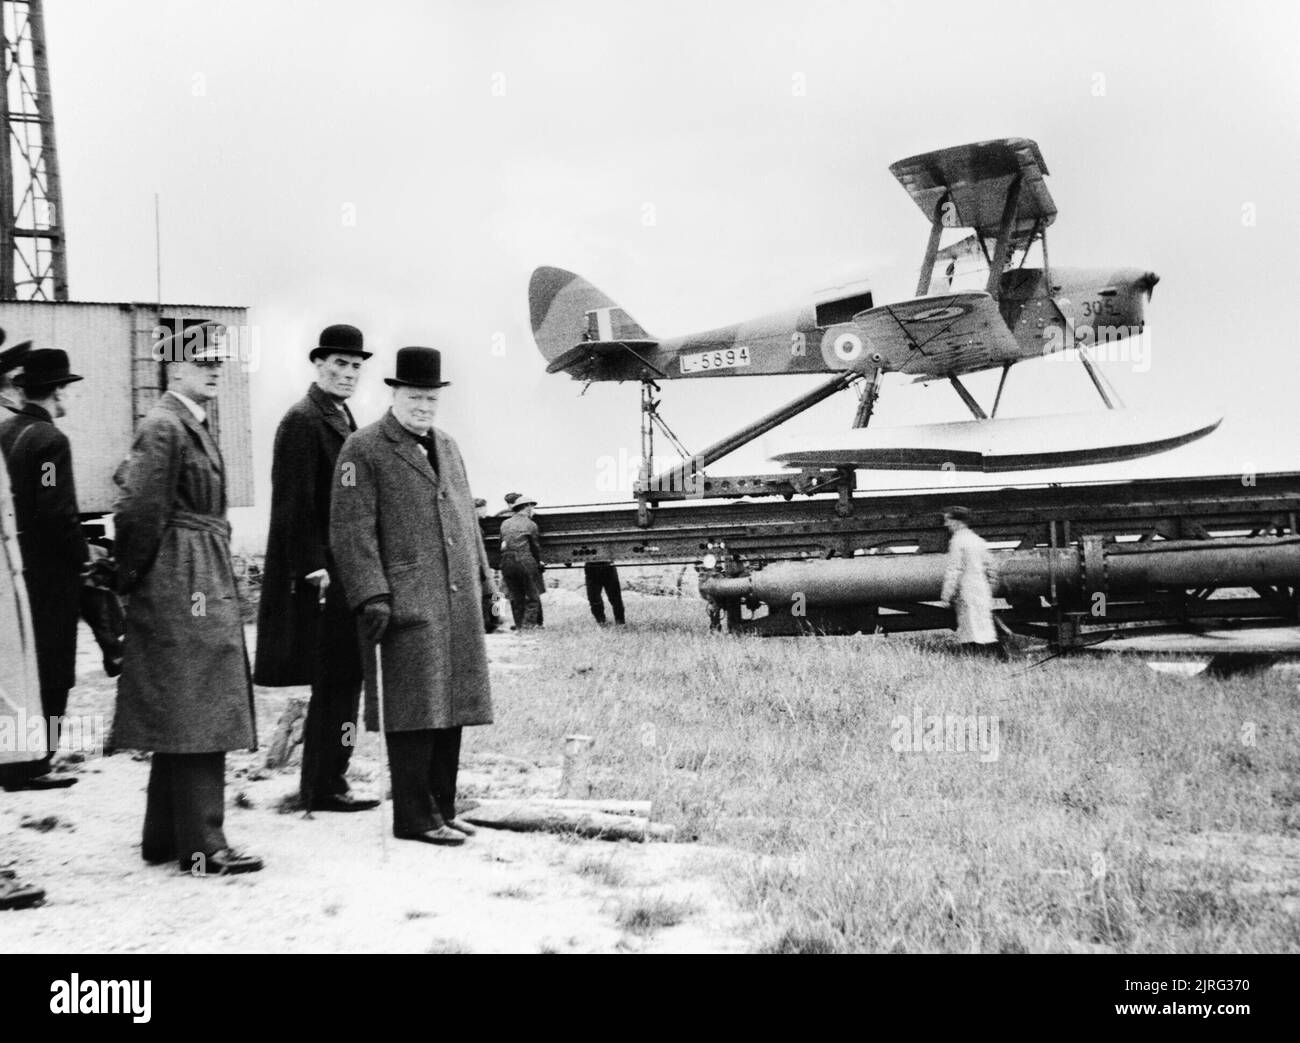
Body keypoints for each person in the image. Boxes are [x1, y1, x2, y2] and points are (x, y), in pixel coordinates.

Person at [112, 319, 263, 875]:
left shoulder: (187, 422)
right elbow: (137, 511)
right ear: (173, 368)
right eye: (202, 362)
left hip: (194, 568)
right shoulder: (164, 425)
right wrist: (132, 577)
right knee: (199, 703)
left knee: (186, 703)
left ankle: (165, 838)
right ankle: (203, 846)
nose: (214, 368)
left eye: (217, 361)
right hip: (183, 575)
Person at [330, 346, 494, 847]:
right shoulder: (363, 448)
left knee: (453, 706)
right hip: (407, 602)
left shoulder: (447, 445)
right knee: (414, 709)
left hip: (457, 598)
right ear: (395, 395)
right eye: (414, 396)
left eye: (431, 397)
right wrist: (372, 594)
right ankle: (413, 817)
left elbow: (468, 522)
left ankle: (442, 808)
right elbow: (349, 530)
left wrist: (487, 584)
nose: (424, 406)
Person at [253, 324, 378, 814]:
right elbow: (292, 505)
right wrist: (313, 568)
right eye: (339, 364)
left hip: (345, 570)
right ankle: (322, 786)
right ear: (318, 364)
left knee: (347, 678)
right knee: (333, 679)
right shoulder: (303, 420)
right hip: (323, 577)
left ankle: (333, 779)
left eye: (355, 366)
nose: (348, 373)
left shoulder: (341, 415)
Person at [0, 348, 88, 792]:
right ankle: (36, 762)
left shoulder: (8, 431)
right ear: (56, 391)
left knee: (20, 668)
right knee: (55, 668)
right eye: (67, 388)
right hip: (49, 575)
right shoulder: (50, 441)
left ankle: (13, 756)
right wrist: (83, 557)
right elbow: (53, 507)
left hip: (15, 570)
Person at [938, 506, 1003, 658]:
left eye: (948, 520)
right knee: (984, 628)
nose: (946, 524)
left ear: (958, 522)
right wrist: (990, 588)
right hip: (981, 589)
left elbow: (954, 570)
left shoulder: (957, 541)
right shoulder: (977, 540)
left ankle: (975, 661)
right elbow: (992, 568)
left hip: (966, 591)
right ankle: (999, 658)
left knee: (969, 629)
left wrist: (946, 596)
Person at [498, 495, 544, 629]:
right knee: (532, 596)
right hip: (524, 561)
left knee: (516, 597)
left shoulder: (504, 523)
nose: (533, 510)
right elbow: (535, 547)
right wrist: (538, 563)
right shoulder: (531, 524)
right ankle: (528, 626)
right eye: (532, 507)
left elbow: (501, 544)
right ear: (527, 507)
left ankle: (519, 625)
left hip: (506, 563)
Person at [584, 561, 625, 625]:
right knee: (593, 598)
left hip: (608, 567)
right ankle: (601, 621)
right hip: (591, 568)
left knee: (615, 597)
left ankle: (620, 622)